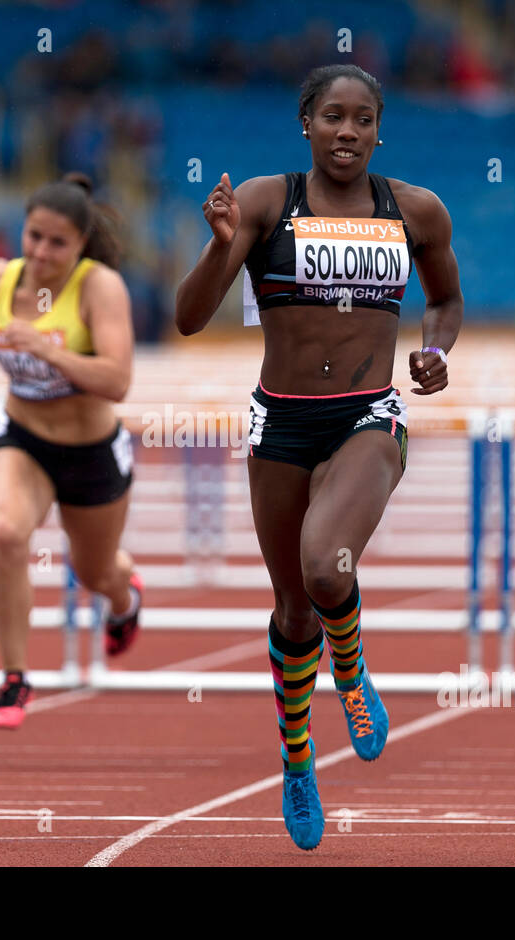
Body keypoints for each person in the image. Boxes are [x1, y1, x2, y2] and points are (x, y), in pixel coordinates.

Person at [174, 64, 463, 850]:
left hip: (368, 416)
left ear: (378, 130)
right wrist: (221, 246)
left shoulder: (416, 210)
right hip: (281, 425)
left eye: (362, 119)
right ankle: (298, 763)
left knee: (326, 569)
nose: (347, 131)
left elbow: (444, 301)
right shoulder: (269, 202)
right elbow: (189, 318)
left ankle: (353, 671)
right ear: (306, 123)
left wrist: (435, 350)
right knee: (294, 609)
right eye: (332, 116)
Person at [0, 172, 143, 729]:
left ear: (81, 245)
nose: (42, 252)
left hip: (91, 449)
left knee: (95, 574)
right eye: (33, 237)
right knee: (4, 534)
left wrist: (47, 351)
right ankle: (15, 678)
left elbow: (118, 381)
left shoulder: (100, 289)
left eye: (57, 243)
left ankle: (125, 596)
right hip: (20, 438)